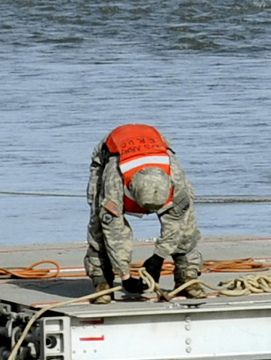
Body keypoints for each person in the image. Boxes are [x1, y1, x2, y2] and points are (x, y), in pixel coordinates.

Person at [87, 123, 203, 300]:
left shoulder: (175, 178)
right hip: (111, 154)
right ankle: (102, 281)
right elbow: (114, 231)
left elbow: (176, 222)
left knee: (186, 228)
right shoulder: (115, 182)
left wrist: (158, 257)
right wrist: (125, 275)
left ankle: (187, 278)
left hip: (156, 151)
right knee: (99, 224)